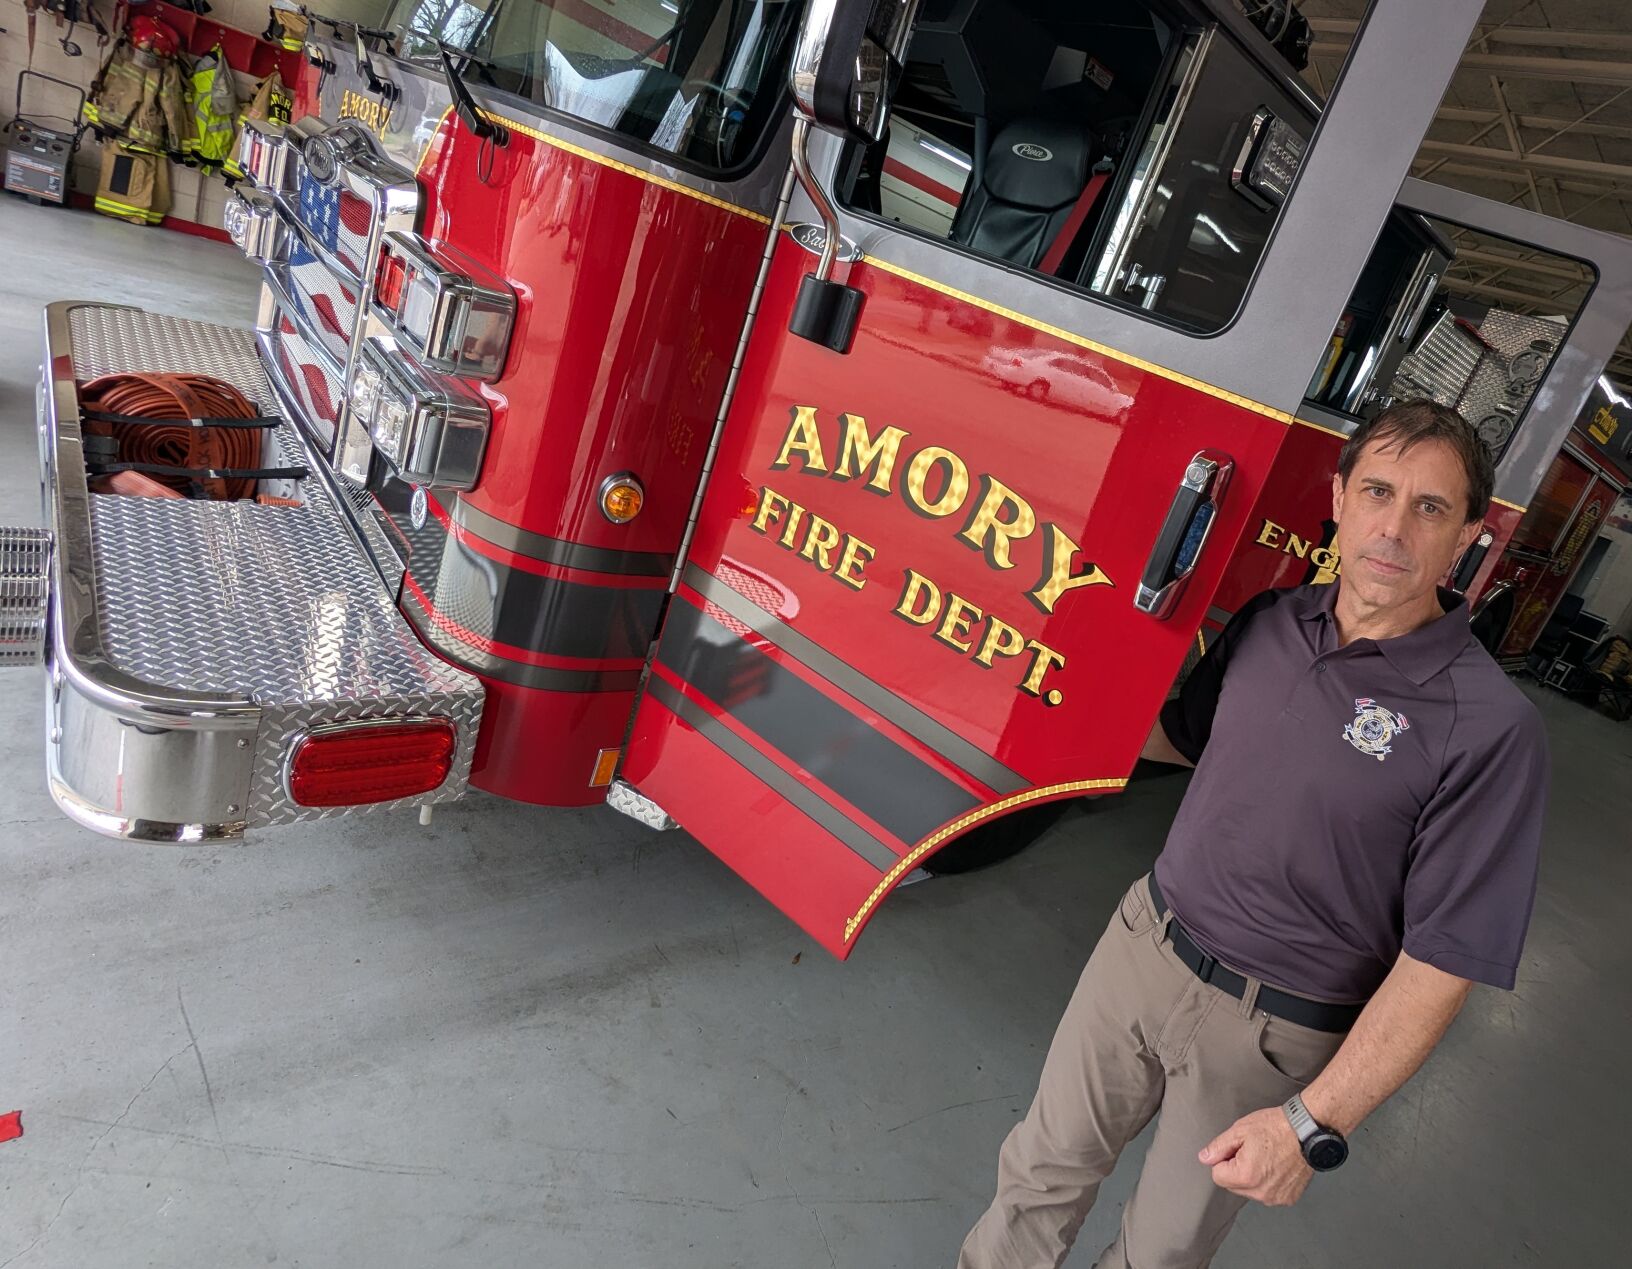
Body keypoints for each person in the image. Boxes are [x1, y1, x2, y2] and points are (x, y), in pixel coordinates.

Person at [958, 401, 1549, 1268]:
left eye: (1430, 506)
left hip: (1274, 1034)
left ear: (1466, 536)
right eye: (1378, 491)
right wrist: (1023, 686)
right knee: (1037, 1177)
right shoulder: (1273, 619)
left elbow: (1442, 964)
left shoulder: (1491, 728)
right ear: (1339, 498)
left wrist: (1313, 1122)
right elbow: (1184, 738)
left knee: (1161, 1252)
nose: (1393, 527)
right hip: (1143, 947)